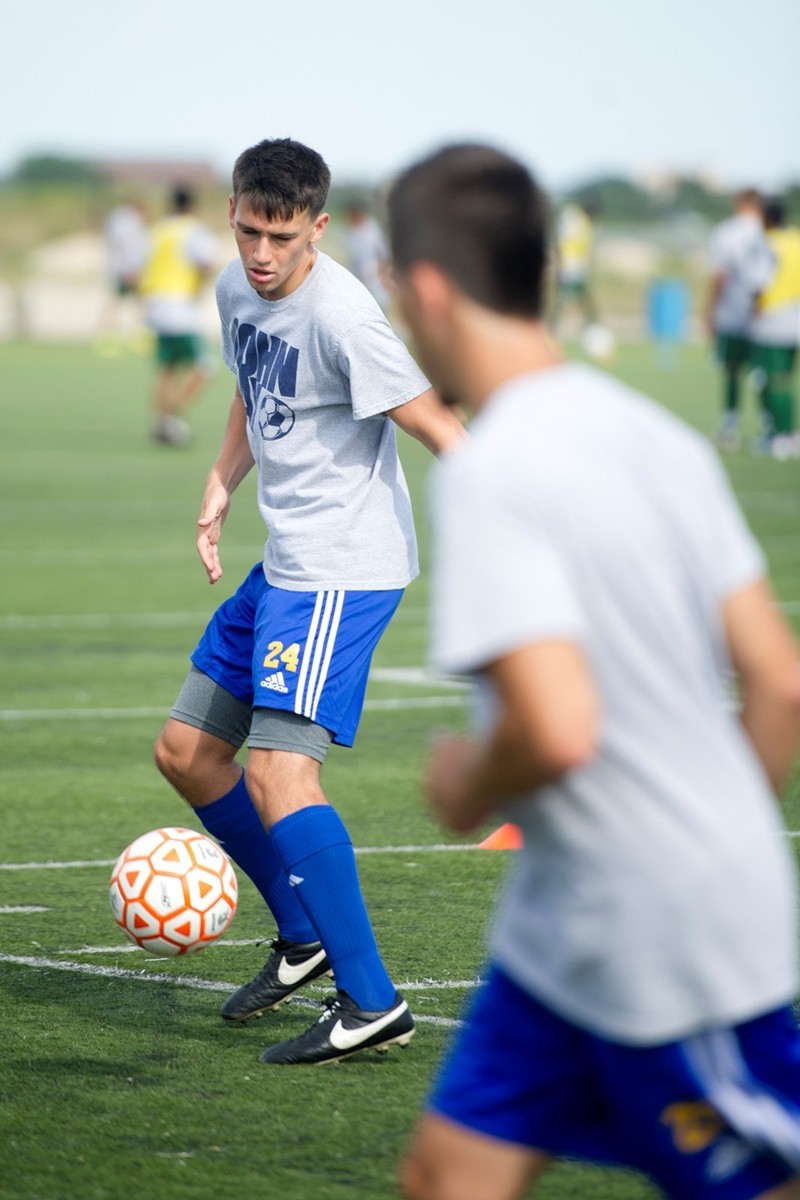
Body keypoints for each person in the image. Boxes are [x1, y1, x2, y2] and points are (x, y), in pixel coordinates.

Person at [387, 143, 800, 1200]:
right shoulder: (654, 437)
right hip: (558, 921)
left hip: (651, 930)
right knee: (444, 1177)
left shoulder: (492, 471)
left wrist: (466, 784)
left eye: (394, 291)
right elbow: (778, 686)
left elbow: (555, 726)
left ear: (428, 289)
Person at [153, 138, 464, 1066]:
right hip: (283, 561)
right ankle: (303, 938)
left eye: (281, 237)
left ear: (317, 229)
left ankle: (369, 1002)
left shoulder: (344, 316)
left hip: (343, 567)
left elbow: (433, 422)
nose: (261, 252)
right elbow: (254, 393)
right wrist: (220, 483)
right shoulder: (232, 289)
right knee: (189, 753)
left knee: (278, 776)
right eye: (248, 229)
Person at [138, 185, 216, 445]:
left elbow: (141, 264)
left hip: (155, 303)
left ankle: (160, 421)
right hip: (179, 303)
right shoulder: (193, 230)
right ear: (192, 206)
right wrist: (200, 287)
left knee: (168, 367)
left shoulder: (158, 230)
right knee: (205, 367)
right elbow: (204, 262)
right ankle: (173, 419)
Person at [706, 188, 765, 450]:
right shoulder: (769, 230)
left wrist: (709, 309)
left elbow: (721, 277)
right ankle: (770, 425)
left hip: (733, 312)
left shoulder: (726, 232)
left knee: (731, 370)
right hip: (765, 313)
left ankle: (730, 426)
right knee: (765, 372)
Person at [749, 198, 800, 459]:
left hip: (773, 319)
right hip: (796, 318)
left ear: (767, 219)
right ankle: (790, 433)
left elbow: (759, 284)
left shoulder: (769, 244)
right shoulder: (796, 240)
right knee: (786, 380)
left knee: (772, 380)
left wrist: (752, 311)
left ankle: (778, 436)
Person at [97, 199, 148, 352]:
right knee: (129, 302)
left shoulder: (119, 221)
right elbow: (128, 248)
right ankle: (128, 336)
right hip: (127, 269)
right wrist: (132, 268)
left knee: (122, 302)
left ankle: (113, 336)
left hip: (121, 267)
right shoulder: (129, 224)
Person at [342, 199, 392, 311]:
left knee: (380, 309)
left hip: (375, 280)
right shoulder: (350, 231)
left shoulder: (371, 229)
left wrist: (383, 276)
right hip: (360, 280)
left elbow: (382, 253)